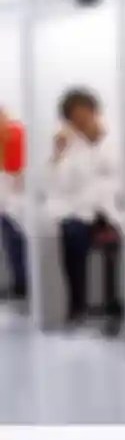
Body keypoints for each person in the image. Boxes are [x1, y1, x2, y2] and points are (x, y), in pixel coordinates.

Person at [47, 88, 125, 333]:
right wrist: (58, 154)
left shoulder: (116, 139)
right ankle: (77, 305)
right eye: (75, 120)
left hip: (114, 209)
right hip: (83, 210)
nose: (82, 123)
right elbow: (60, 184)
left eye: (85, 116)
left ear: (96, 112)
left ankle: (115, 305)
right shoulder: (70, 147)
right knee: (69, 232)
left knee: (114, 240)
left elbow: (123, 175)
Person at [0, 106, 26, 300]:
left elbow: (17, 175)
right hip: (8, 199)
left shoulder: (17, 135)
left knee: (12, 231)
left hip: (17, 200)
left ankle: (21, 282)